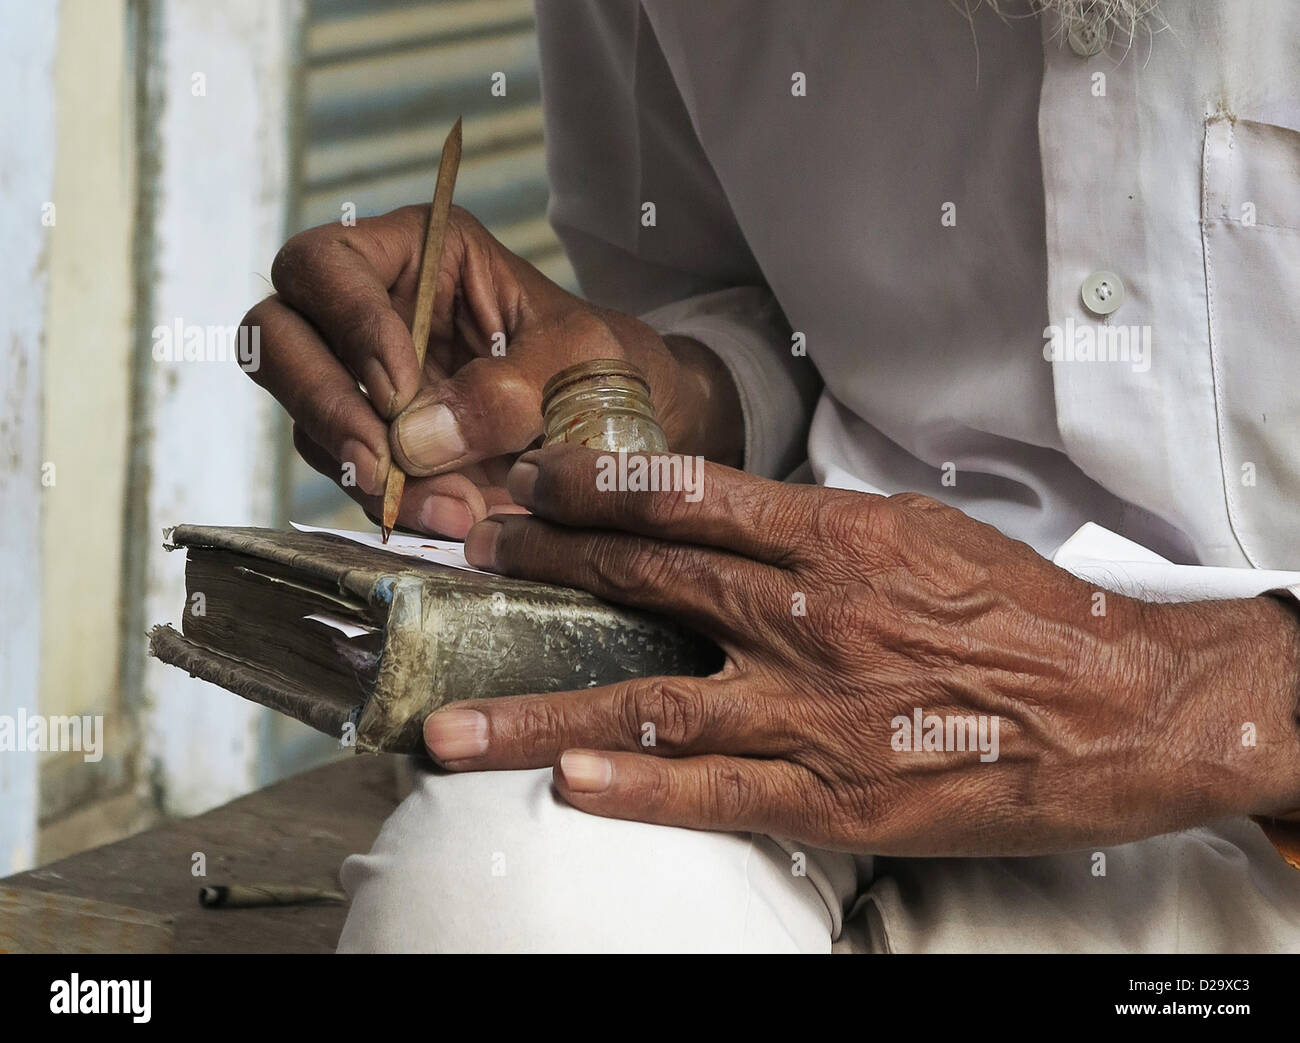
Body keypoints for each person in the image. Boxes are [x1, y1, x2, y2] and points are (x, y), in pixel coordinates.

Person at [242, 0, 1300, 952]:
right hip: (832, 669)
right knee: (491, 912)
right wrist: (668, 390)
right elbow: (740, 294)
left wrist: (1177, 693)